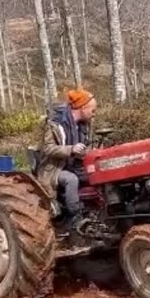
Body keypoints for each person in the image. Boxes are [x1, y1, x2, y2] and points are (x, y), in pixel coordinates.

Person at [37, 89, 97, 231]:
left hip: (75, 164)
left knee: (96, 176)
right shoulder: (54, 125)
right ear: (83, 108)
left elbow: (86, 146)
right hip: (54, 168)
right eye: (93, 110)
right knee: (71, 179)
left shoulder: (84, 125)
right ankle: (75, 218)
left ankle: (98, 212)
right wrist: (71, 149)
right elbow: (48, 149)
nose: (94, 114)